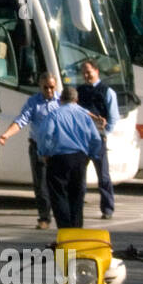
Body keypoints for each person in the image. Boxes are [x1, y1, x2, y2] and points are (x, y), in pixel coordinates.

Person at [0, 72, 61, 230]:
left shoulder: (61, 101)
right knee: (41, 184)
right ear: (40, 86)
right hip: (38, 148)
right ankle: (44, 218)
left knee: (58, 184)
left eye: (51, 87)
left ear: (56, 86)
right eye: (45, 87)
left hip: (58, 149)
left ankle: (62, 216)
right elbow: (21, 120)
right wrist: (6, 134)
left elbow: (76, 114)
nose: (49, 91)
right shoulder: (34, 102)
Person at [34, 86, 103, 230]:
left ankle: (65, 230)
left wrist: (44, 153)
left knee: (59, 195)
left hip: (58, 158)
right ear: (76, 99)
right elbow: (96, 139)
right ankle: (76, 229)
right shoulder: (85, 116)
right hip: (79, 158)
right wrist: (91, 154)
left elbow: (45, 135)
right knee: (77, 196)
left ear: (60, 99)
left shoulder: (54, 115)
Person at [76, 59, 119, 219]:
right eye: (84, 73)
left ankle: (107, 209)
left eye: (89, 72)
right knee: (79, 175)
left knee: (103, 175)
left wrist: (104, 134)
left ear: (96, 71)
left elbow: (113, 117)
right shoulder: (79, 91)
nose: (86, 75)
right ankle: (76, 207)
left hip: (97, 139)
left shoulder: (107, 92)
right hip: (81, 139)